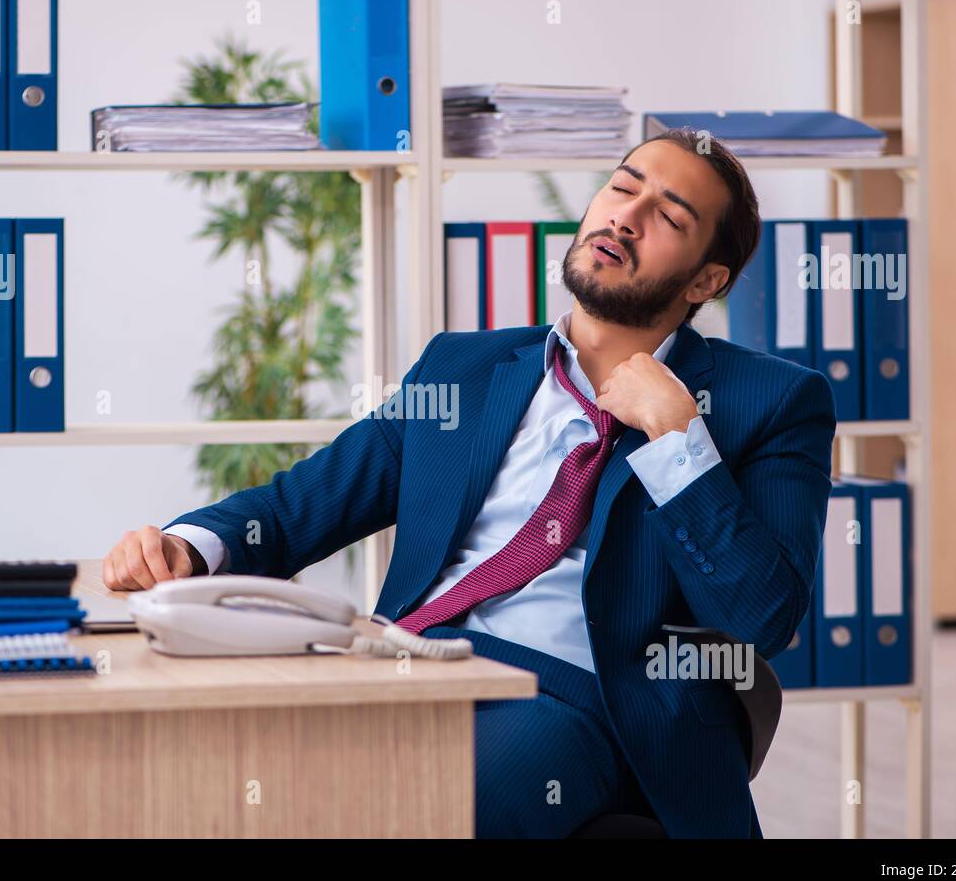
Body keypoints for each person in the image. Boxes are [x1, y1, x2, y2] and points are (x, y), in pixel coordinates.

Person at [104, 128, 836, 838]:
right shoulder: (463, 369)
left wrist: (678, 435)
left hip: (577, 699)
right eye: (621, 188)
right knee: (196, 783)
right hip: (404, 663)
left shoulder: (769, 403)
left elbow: (764, 616)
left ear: (708, 279)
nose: (627, 217)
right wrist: (185, 547)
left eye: (669, 216)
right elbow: (299, 507)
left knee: (411, 810)